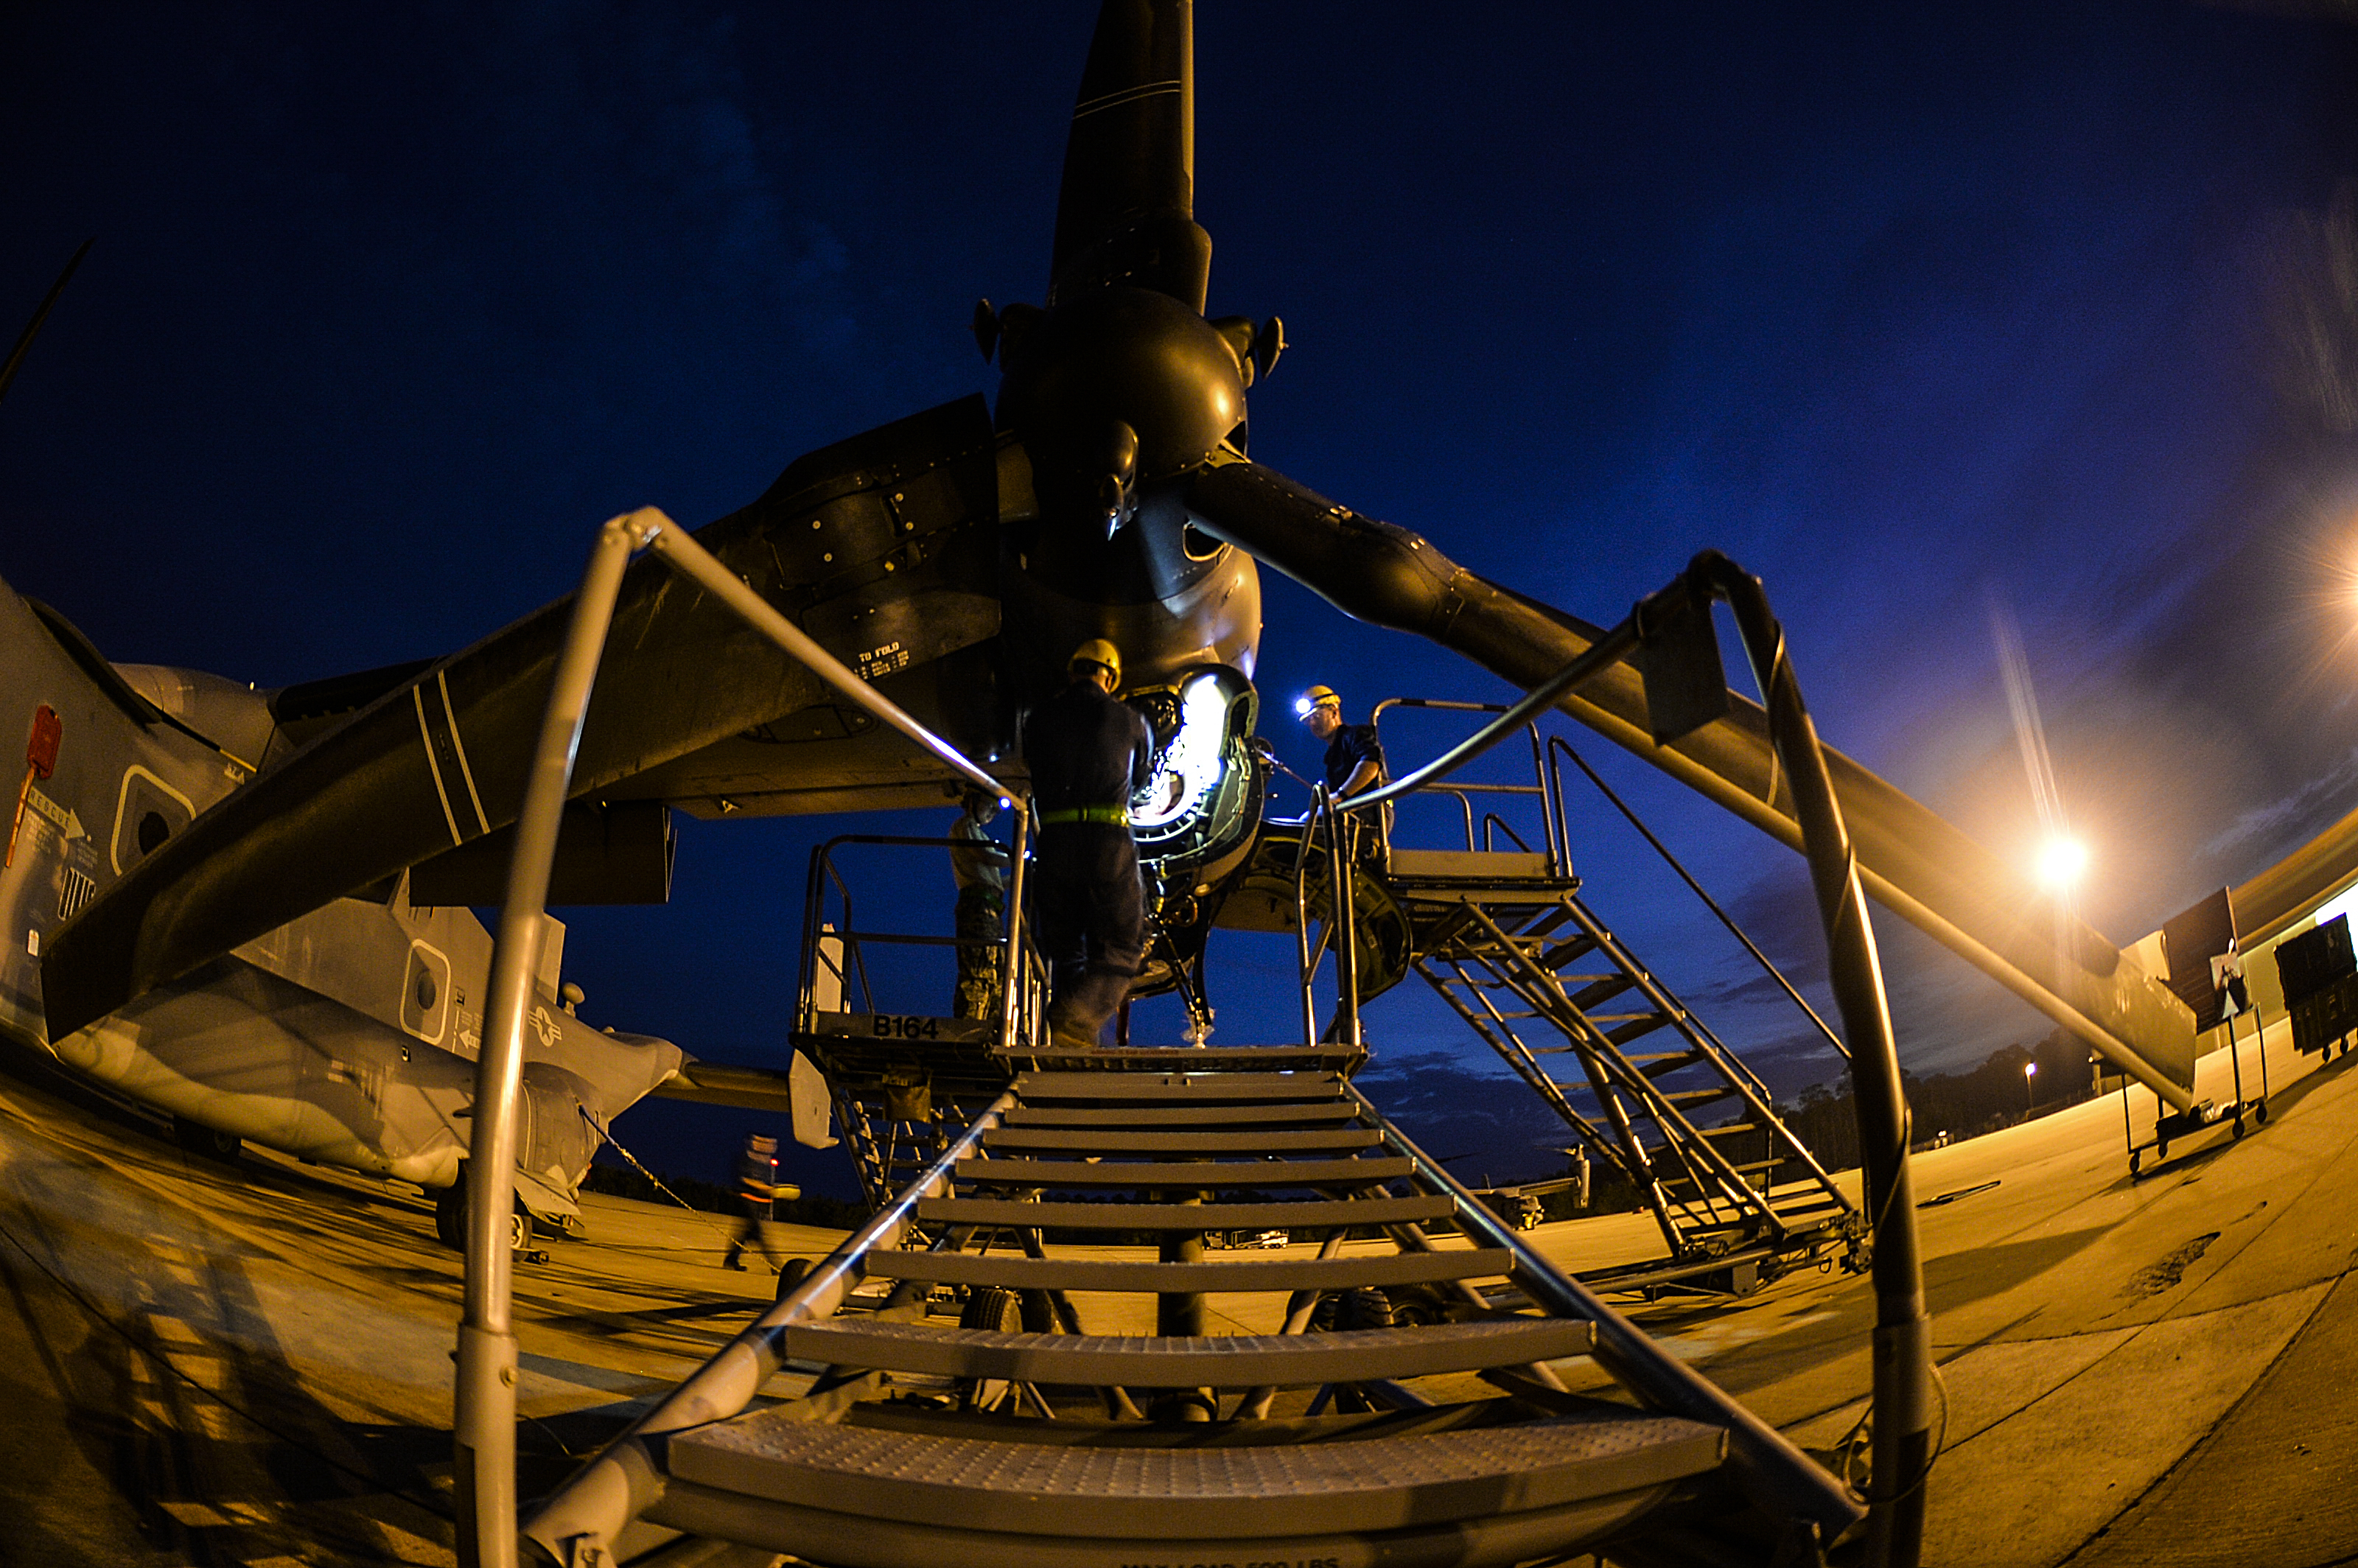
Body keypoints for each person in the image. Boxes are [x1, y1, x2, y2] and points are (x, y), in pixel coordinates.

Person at [1022, 638, 1155, 1049]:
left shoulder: (1037, 718)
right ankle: (1079, 1022)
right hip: (1107, 842)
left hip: (1055, 842)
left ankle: (1067, 1044)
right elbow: (1142, 780)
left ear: (1072, 671)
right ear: (1110, 677)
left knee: (1066, 951)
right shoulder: (1129, 720)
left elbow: (1033, 764)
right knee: (1122, 943)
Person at [1299, 684, 1391, 851]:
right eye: (1308, 721)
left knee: (1309, 821)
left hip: (1372, 812)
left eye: (1316, 717)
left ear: (1334, 711)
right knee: (1304, 823)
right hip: (1349, 812)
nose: (1312, 724)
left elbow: (1371, 764)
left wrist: (1340, 795)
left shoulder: (1355, 735)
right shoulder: (1331, 756)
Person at [950, 787, 1008, 1020]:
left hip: (991, 907)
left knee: (995, 969)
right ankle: (969, 1022)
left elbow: (996, 881)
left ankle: (989, 1020)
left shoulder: (983, 837)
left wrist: (1028, 871)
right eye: (989, 805)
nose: (992, 812)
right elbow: (983, 857)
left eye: (996, 809)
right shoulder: (964, 827)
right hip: (976, 906)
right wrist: (1014, 858)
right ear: (972, 802)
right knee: (977, 967)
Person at [721, 1131, 797, 1272]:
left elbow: (768, 1182)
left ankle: (731, 1260)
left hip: (758, 1202)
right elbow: (745, 1179)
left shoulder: (767, 1163)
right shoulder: (746, 1158)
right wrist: (766, 1188)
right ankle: (775, 1265)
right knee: (760, 1234)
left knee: (747, 1234)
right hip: (746, 1200)